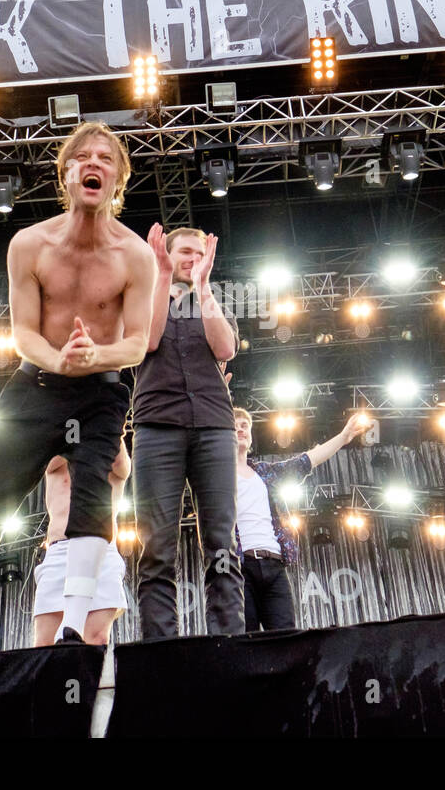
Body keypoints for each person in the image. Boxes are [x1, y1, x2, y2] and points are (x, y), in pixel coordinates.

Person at [0, 121, 155, 653]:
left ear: (118, 179)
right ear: (66, 173)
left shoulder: (135, 256)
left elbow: (137, 343)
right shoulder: (29, 243)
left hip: (101, 394)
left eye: (106, 159)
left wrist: (95, 356)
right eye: (83, 157)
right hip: (33, 388)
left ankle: (72, 627)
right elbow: (22, 332)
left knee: (93, 501)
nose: (94, 164)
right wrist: (60, 359)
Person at [132, 225, 241, 638]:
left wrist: (205, 287)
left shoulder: (211, 301)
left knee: (221, 541)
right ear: (166, 254)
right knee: (157, 546)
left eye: (200, 252)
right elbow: (148, 341)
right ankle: (161, 647)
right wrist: (161, 277)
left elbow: (225, 349)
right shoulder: (143, 296)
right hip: (157, 427)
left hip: (214, 425)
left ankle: (228, 641)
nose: (193, 257)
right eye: (185, 252)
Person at [233, 407, 369, 631]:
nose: (240, 429)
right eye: (234, 425)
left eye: (244, 425)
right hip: (240, 567)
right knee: (247, 641)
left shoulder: (265, 472)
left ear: (250, 435)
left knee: (286, 637)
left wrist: (343, 437)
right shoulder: (216, 475)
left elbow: (307, 461)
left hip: (274, 565)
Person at [32, 443, 131, 646]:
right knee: (45, 644)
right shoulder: (59, 449)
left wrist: (108, 419)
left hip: (102, 551)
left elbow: (122, 466)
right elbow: (50, 461)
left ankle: (89, 679)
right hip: (60, 550)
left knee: (96, 639)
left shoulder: (112, 448)